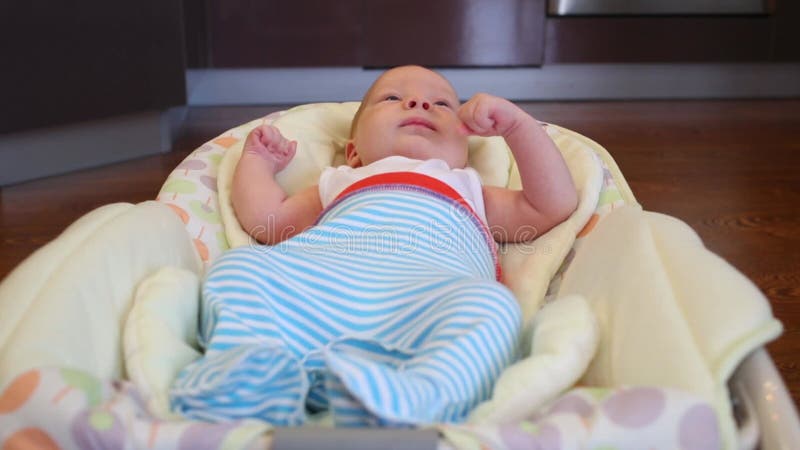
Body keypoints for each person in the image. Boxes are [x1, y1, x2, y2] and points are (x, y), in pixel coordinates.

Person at [170, 65, 578, 427]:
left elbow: (551, 205)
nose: (418, 102)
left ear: (463, 151)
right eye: (393, 98)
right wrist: (258, 161)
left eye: (442, 104)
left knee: (494, 309)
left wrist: (518, 128)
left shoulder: (469, 187)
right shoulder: (340, 180)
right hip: (318, 290)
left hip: (426, 301)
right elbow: (265, 219)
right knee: (242, 268)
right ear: (354, 152)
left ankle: (413, 398)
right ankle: (249, 376)